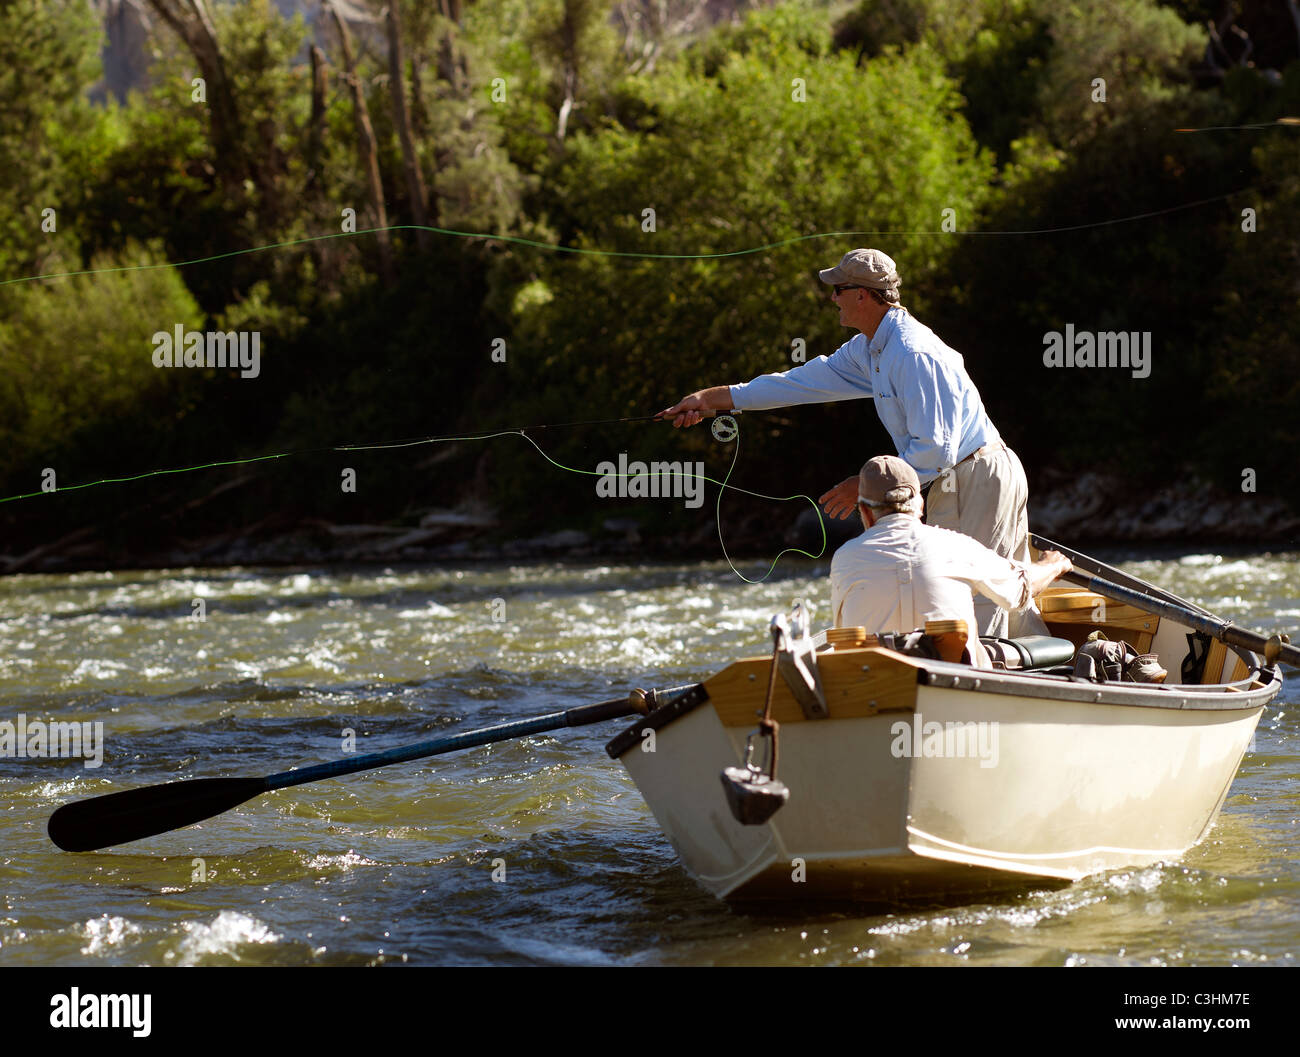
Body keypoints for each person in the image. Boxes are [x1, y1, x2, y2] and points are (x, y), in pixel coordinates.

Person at [659, 247, 1040, 637]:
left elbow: (936, 451)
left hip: (971, 477)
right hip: (974, 475)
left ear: (862, 294)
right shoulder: (871, 349)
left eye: (837, 289)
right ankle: (1063, 682)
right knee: (1013, 595)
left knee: (978, 607)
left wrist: (867, 487)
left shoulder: (912, 352)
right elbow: (799, 384)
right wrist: (713, 399)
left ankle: (983, 687)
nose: (831, 297)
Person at [831, 456, 1071, 667]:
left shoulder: (843, 558)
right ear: (921, 505)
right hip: (958, 690)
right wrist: (1053, 565)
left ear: (864, 511)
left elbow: (844, 634)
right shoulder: (956, 545)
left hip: (875, 692)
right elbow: (1020, 589)